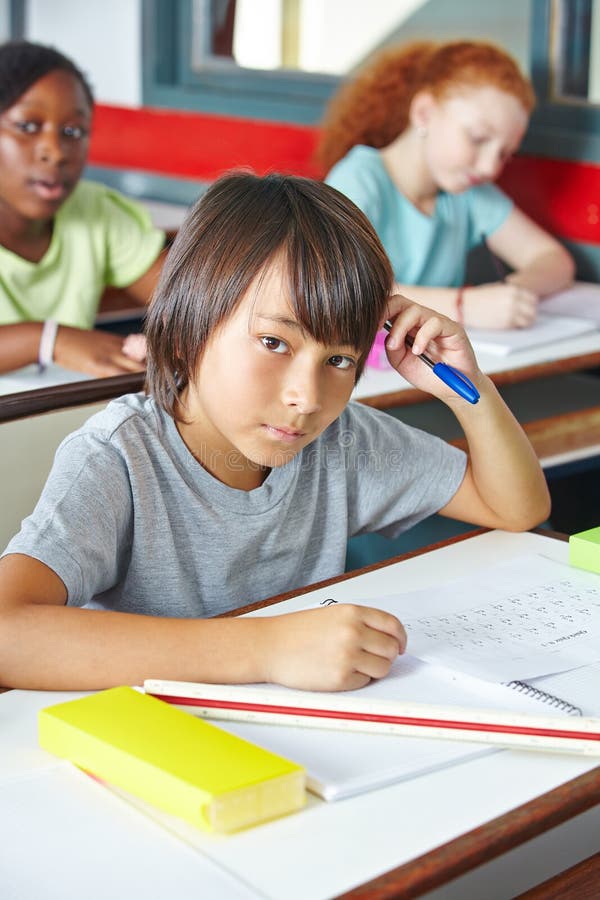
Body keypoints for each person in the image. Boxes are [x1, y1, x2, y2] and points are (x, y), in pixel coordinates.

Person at [0, 172, 550, 691]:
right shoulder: (119, 457)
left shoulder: (343, 442)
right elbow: (7, 634)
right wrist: (266, 649)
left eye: (339, 359)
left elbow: (516, 508)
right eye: (273, 343)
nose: (306, 399)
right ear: (190, 323)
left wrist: (468, 389)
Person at [318, 40, 575, 330]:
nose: (490, 167)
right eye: (477, 138)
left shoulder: (468, 192)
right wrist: (463, 305)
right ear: (424, 113)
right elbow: (340, 287)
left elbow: (554, 260)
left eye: (505, 154)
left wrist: (513, 292)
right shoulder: (359, 179)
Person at [0, 40, 167, 376]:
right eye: (28, 126)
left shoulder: (95, 210)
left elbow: (190, 300)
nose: (56, 151)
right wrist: (49, 340)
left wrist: (186, 334)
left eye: (73, 131)